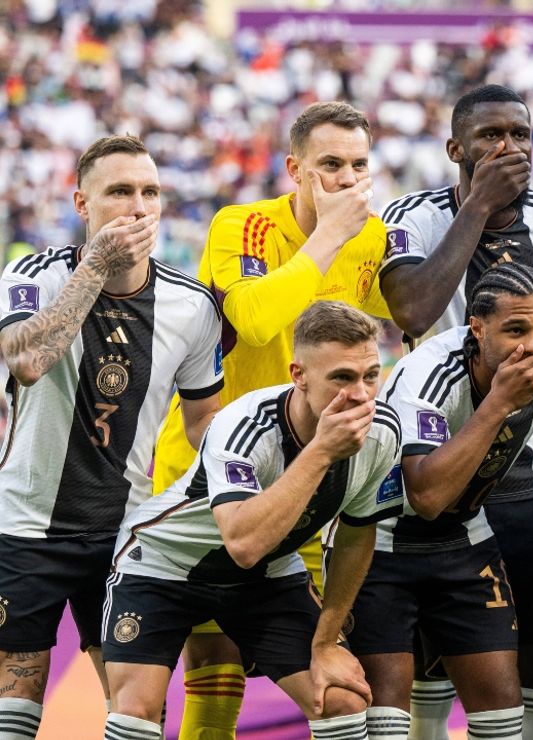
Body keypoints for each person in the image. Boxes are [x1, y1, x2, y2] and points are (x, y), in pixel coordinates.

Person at [149, 101, 394, 737]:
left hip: (305, 481)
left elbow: (386, 328)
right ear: (295, 168)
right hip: (206, 473)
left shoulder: (373, 237)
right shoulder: (242, 226)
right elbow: (255, 317)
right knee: (214, 660)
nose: (345, 179)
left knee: (329, 672)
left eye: (358, 165)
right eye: (329, 165)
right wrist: (330, 235)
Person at [377, 84, 533, 739]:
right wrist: (479, 207)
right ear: (455, 149)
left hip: (529, 474)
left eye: (520, 135)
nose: (509, 148)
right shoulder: (412, 216)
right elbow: (410, 310)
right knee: (432, 663)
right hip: (435, 463)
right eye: (491, 136)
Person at [0, 135, 223, 737]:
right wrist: (95, 268)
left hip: (125, 535)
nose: (138, 206)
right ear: (82, 202)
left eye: (150, 192)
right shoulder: (32, 275)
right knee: (12, 708)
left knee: (139, 711)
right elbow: (26, 361)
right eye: (119, 191)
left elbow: (204, 419)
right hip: (24, 527)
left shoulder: (193, 305)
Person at [101, 301, 404, 740]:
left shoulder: (382, 433)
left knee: (341, 698)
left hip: (267, 574)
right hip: (162, 564)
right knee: (136, 714)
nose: (359, 395)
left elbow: (358, 535)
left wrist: (325, 641)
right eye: (341, 377)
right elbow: (243, 544)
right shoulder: (241, 425)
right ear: (298, 375)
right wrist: (321, 451)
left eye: (370, 376)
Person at [350, 262, 533, 739]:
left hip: (465, 536)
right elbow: (426, 496)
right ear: (477, 329)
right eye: (515, 330)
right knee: (385, 720)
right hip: (383, 543)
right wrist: (498, 405)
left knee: (502, 715)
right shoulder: (425, 378)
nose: (532, 345)